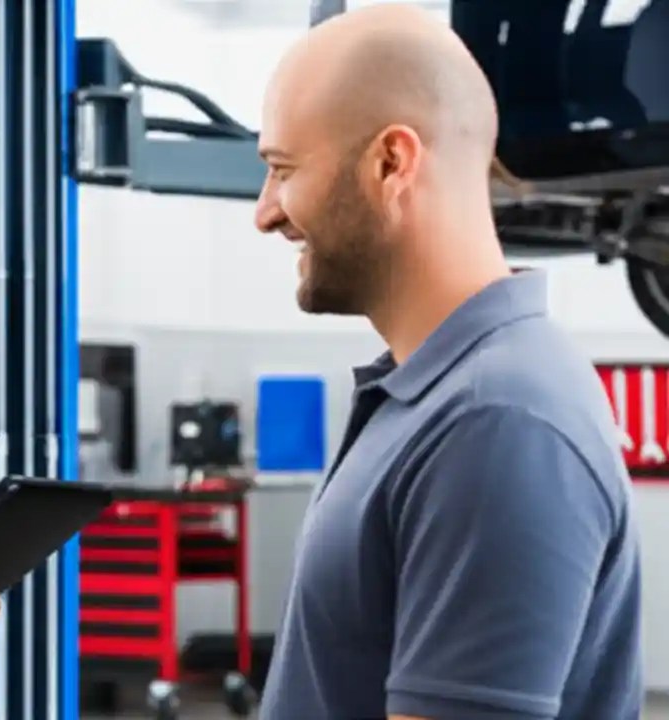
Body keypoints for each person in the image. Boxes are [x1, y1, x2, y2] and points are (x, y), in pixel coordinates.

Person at [252, 6, 641, 720]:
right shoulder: (438, 398)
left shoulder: (498, 422)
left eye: (282, 170)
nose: (265, 212)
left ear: (391, 163)